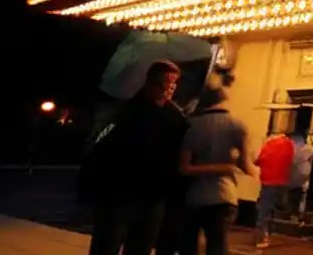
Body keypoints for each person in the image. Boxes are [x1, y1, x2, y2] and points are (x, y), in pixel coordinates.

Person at [83, 60, 189, 255]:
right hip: (119, 195)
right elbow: (102, 147)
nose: (171, 88)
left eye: (174, 83)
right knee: (107, 245)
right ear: (151, 83)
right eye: (167, 83)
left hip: (153, 197)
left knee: (141, 247)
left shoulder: (175, 117)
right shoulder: (127, 112)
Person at [179, 84, 253, 255]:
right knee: (217, 246)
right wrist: (229, 166)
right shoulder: (237, 125)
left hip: (194, 197)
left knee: (188, 245)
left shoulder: (191, 126)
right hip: (224, 195)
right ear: (223, 101)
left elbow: (184, 167)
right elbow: (246, 164)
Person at [254, 131, 295, 249]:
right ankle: (270, 231)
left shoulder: (269, 144)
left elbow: (258, 160)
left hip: (269, 181)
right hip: (282, 181)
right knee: (274, 207)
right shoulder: (289, 145)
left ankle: (262, 237)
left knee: (264, 209)